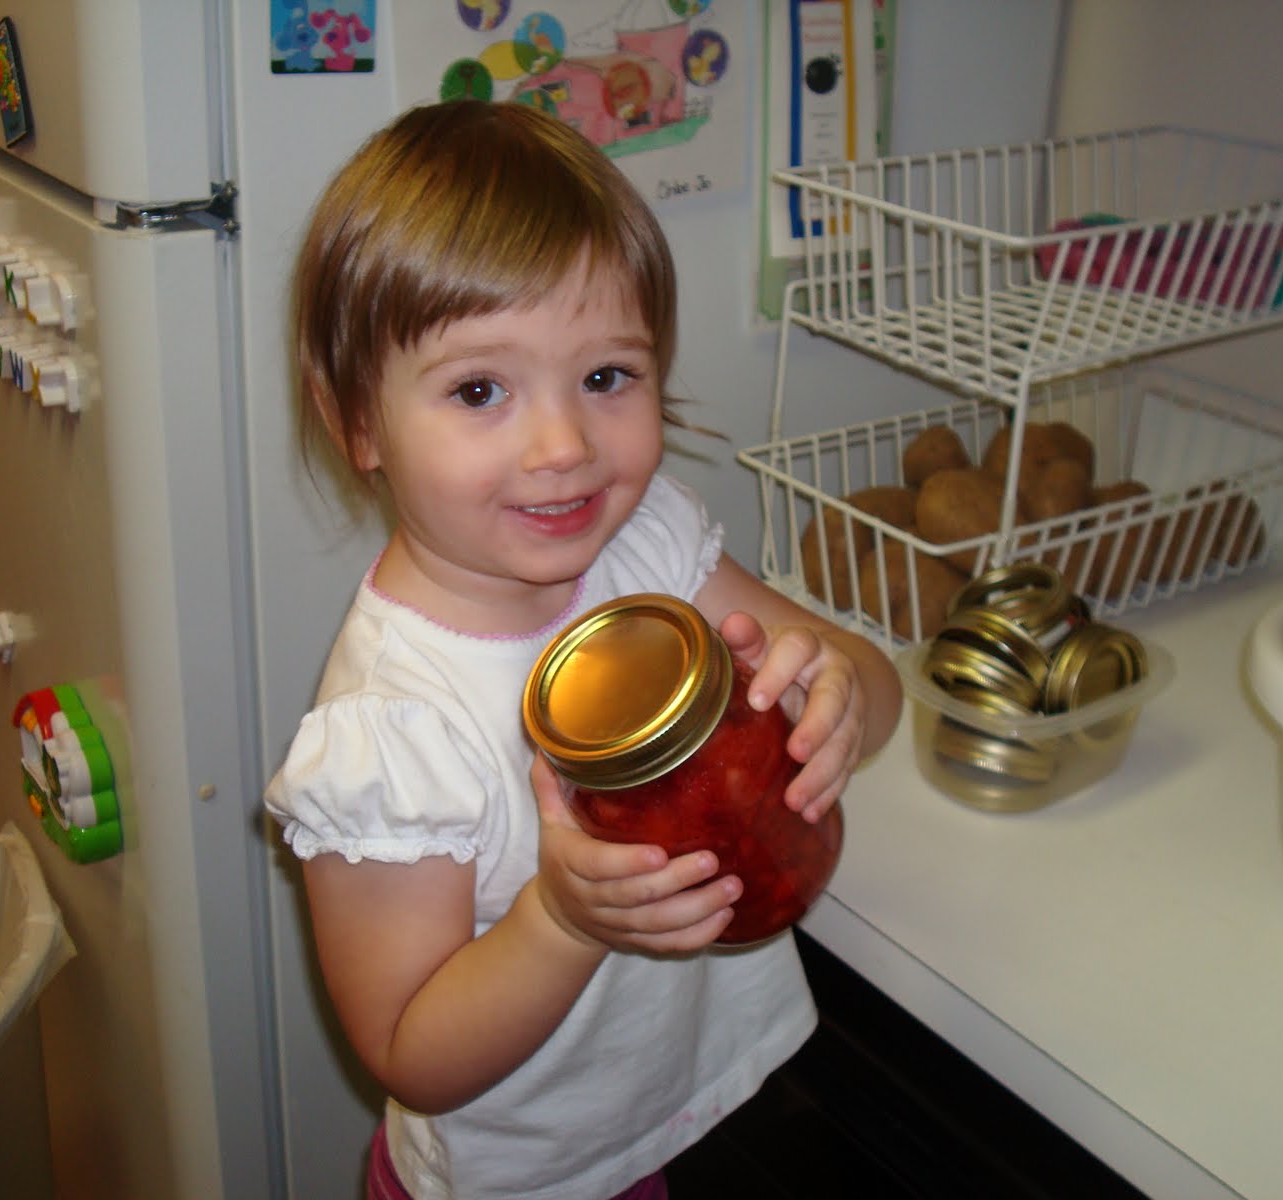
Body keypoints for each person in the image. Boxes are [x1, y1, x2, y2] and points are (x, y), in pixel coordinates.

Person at [265, 98, 901, 1200]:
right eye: (479, 390)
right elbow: (412, 1054)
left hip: (659, 1126)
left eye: (606, 377)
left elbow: (871, 685)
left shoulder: (647, 549)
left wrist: (840, 694)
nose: (563, 446)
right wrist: (558, 921)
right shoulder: (394, 730)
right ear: (357, 422)